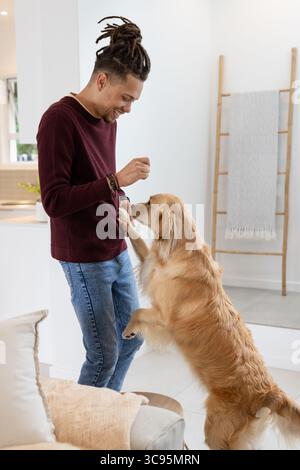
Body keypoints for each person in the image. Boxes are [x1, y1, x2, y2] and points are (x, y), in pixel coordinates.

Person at [37, 16, 151, 391]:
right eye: (126, 98)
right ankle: (79, 434)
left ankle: (106, 414)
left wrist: (123, 198)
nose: (128, 108)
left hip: (115, 247)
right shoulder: (58, 120)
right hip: (84, 257)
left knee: (133, 340)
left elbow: (101, 180)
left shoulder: (108, 119)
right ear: (102, 80)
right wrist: (115, 180)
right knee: (103, 354)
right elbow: (54, 201)